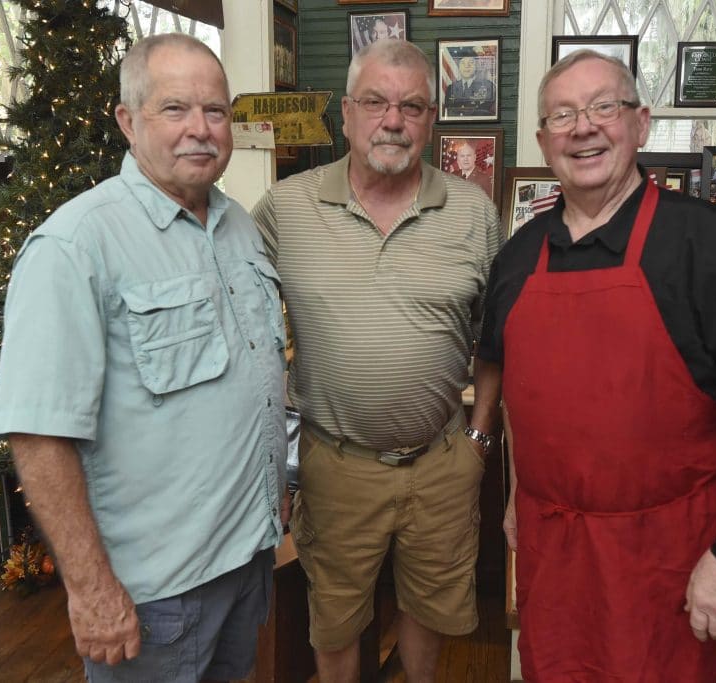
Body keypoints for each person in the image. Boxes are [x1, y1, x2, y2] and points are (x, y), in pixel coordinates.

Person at [479, 50, 716, 681]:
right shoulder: (518, 255)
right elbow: (523, 394)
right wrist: (519, 494)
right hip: (556, 557)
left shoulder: (713, 245)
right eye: (563, 115)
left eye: (604, 107)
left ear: (641, 124)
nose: (584, 127)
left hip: (669, 559)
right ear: (545, 141)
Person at [0, 33, 288, 682]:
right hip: (154, 594)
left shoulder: (239, 228)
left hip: (243, 561)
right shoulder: (75, 245)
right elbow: (38, 433)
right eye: (174, 109)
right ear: (128, 120)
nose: (200, 130)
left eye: (216, 112)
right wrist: (92, 587)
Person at [251, 38, 503, 683]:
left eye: (411, 105)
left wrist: (480, 439)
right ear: (347, 113)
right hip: (337, 465)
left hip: (444, 460)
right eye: (375, 102)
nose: (392, 120)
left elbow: (498, 340)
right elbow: (240, 325)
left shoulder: (473, 213)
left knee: (431, 606)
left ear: (431, 119)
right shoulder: (287, 209)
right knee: (334, 618)